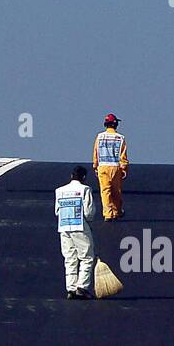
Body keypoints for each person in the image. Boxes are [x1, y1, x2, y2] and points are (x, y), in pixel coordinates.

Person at [56, 166, 97, 299]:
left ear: (71, 176)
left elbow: (57, 211)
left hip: (63, 227)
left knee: (69, 258)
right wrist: (89, 224)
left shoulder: (60, 191)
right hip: (80, 226)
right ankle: (82, 287)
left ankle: (71, 288)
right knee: (87, 257)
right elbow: (89, 212)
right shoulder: (85, 189)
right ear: (84, 177)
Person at [93, 113, 129, 219]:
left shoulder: (99, 137)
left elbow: (96, 152)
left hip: (103, 166)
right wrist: (124, 168)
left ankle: (108, 213)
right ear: (116, 124)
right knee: (116, 191)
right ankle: (117, 211)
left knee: (105, 191)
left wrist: (95, 166)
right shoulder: (120, 138)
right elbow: (123, 155)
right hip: (115, 167)